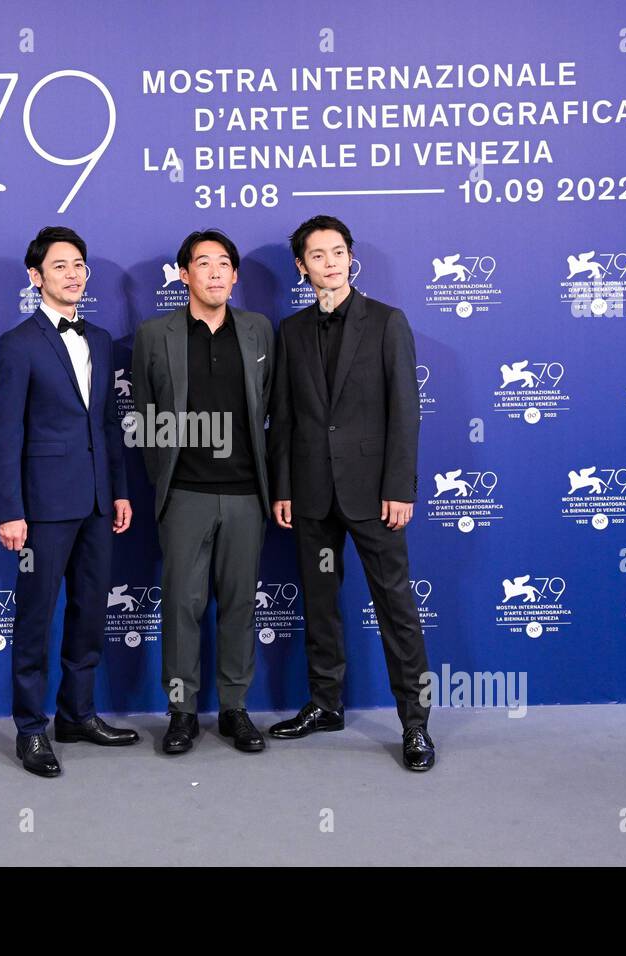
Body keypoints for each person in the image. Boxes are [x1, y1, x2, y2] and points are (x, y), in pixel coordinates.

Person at [266, 215, 435, 771]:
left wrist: (399, 486)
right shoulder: (290, 331)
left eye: (338, 251)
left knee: (397, 608)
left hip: (374, 496)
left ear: (350, 256)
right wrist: (286, 487)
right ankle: (325, 704)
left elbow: (405, 413)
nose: (330, 262)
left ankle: (415, 724)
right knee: (320, 606)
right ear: (302, 266)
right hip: (312, 495)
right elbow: (284, 419)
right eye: (318, 255)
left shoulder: (388, 322)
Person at [0, 225, 138, 777]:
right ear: (36, 276)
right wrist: (10, 509)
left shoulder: (99, 339)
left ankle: (77, 713)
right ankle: (32, 729)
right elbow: (5, 434)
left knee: (90, 613)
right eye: (60, 266)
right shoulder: (18, 343)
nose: (74, 274)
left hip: (99, 502)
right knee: (34, 617)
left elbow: (108, 422)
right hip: (43, 507)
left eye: (79, 264)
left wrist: (119, 490)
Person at [130, 230, 275, 754]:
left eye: (224, 264)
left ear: (235, 276)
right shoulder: (154, 334)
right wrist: (165, 481)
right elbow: (143, 418)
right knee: (181, 607)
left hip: (245, 495)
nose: (214, 272)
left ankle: (235, 710)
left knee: (240, 605)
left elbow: (272, 415)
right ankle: (182, 712)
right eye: (202, 263)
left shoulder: (260, 331)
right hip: (184, 494)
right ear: (184, 274)